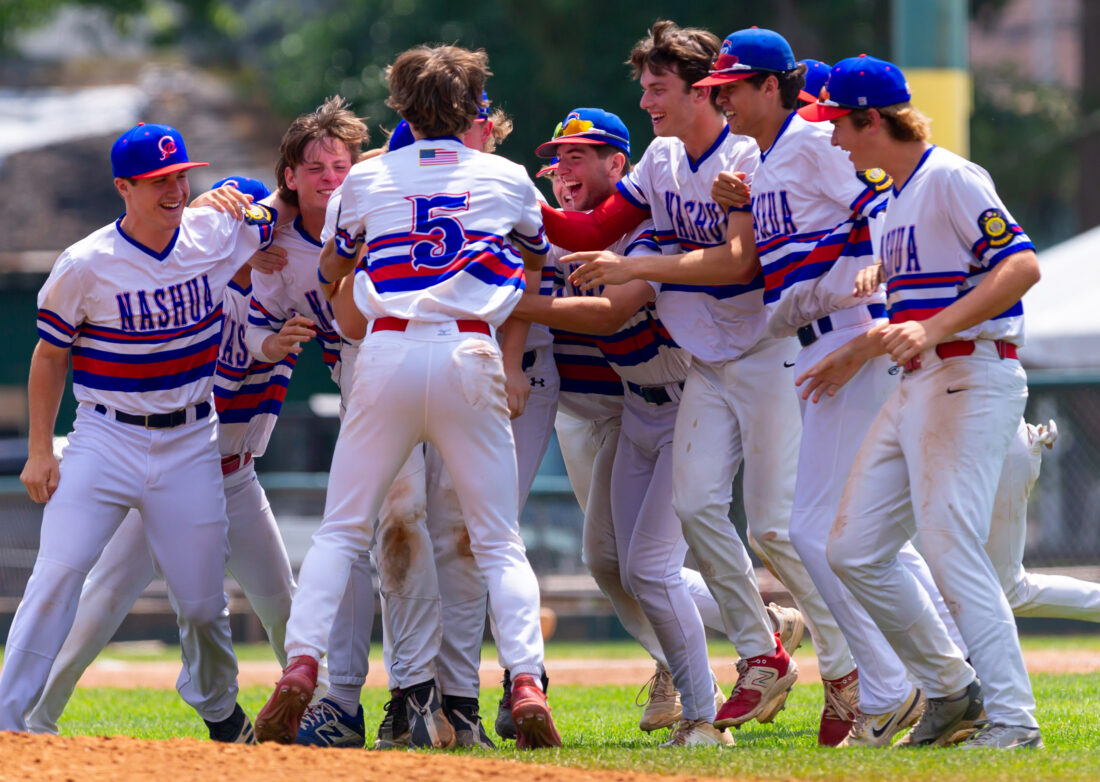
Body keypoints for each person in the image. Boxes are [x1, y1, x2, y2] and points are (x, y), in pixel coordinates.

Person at [254, 43, 562, 750]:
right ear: (473, 105)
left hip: (386, 347)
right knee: (497, 540)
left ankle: (303, 665)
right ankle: (521, 675)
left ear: (400, 106)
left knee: (342, 529)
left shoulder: (365, 179)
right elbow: (537, 251)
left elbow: (333, 262)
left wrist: (348, 259)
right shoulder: (507, 174)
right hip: (468, 347)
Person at [545, 20, 850, 733]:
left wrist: (639, 264)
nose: (649, 99)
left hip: (772, 348)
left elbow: (739, 265)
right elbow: (589, 234)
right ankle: (763, 655)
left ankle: (854, 667)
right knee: (697, 510)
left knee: (778, 527)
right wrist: (506, 191)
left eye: (660, 87)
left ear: (701, 89)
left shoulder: (745, 153)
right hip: (709, 364)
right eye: (645, 87)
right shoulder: (660, 158)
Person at [692, 28, 932, 746]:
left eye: (731, 86)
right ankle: (930, 677)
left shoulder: (811, 140)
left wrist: (876, 274)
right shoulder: (770, 158)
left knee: (820, 531)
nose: (722, 98)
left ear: (773, 85)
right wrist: (744, 192)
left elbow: (883, 200)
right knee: (845, 533)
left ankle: (895, 685)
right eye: (717, 88)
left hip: (851, 337)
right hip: (812, 346)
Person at [796, 55, 1042, 749]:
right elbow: (915, 315)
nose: (834, 138)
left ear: (872, 118)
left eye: (839, 124)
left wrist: (928, 329)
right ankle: (951, 692)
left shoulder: (949, 177)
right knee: (851, 548)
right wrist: (860, 348)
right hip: (922, 382)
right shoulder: (895, 195)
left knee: (951, 551)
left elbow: (1021, 266)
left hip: (971, 376)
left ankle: (1015, 724)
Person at [2, 123, 278, 740]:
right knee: (57, 574)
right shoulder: (85, 263)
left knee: (205, 606)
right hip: (106, 436)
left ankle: (217, 708)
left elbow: (293, 198)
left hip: (190, 441)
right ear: (124, 187)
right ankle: (9, 722)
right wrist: (42, 449)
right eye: (158, 180)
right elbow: (49, 355)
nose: (175, 188)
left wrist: (242, 200)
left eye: (181, 175)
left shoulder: (213, 232)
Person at [244, 96, 410, 751]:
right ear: (290, 175)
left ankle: (422, 694)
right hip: (361, 387)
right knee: (361, 542)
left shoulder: (381, 205)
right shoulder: (275, 241)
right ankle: (347, 700)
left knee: (409, 539)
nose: (329, 176)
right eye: (313, 166)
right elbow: (255, 318)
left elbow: (400, 154)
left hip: (426, 367)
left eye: (340, 164)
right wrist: (272, 342)